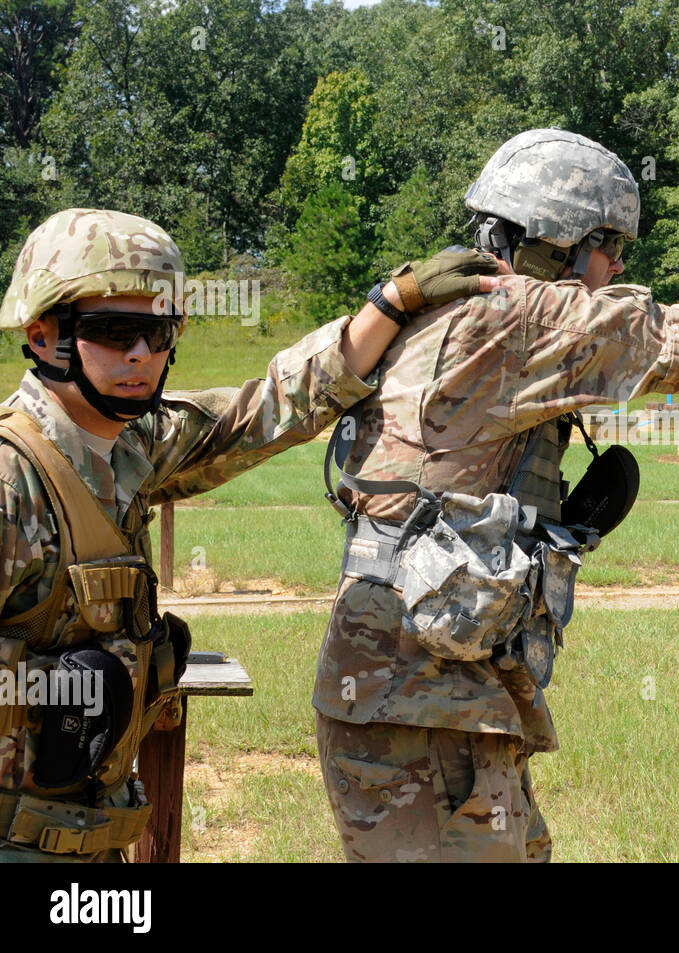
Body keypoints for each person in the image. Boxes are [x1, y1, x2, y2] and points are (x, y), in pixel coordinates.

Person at [313, 128, 679, 863]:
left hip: (420, 693)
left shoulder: (446, 311)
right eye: (608, 245)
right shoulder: (520, 318)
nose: (620, 266)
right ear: (553, 244)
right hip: (421, 703)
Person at [0, 208, 496, 862]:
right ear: (42, 338)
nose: (142, 354)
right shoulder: (13, 480)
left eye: (159, 330)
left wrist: (391, 303)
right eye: (113, 330)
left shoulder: (130, 449)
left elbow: (264, 410)